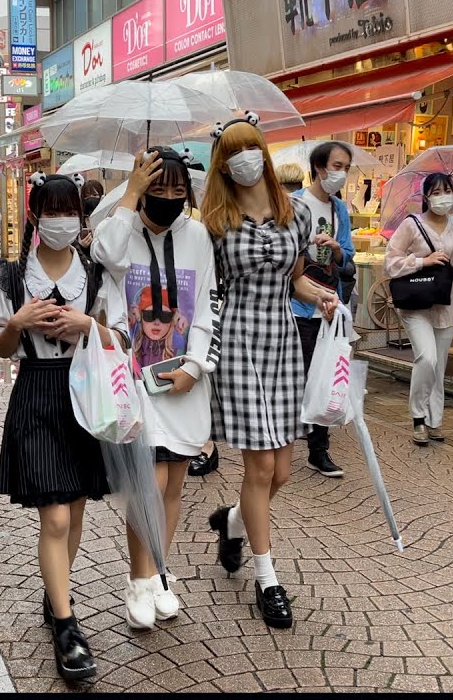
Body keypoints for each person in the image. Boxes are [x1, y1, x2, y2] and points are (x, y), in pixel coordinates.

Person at [201, 116, 338, 630]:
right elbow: (205, 287)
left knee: (280, 471)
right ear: (223, 163)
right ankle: (267, 579)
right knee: (259, 470)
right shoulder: (214, 219)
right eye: (232, 153)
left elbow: (295, 280)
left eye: (249, 149)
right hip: (237, 343)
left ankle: (231, 522)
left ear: (261, 151)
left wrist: (321, 296)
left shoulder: (296, 214)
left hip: (282, 344)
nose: (243, 159)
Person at [0, 172, 124, 682]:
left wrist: (87, 325)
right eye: (54, 210)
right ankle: (66, 626)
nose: (63, 220)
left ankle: (56, 593)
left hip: (84, 392)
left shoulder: (93, 271)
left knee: (77, 507)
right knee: (57, 518)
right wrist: (19, 322)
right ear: (35, 216)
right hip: (37, 392)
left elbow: (122, 338)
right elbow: (1, 348)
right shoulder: (10, 275)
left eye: (72, 211)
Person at [90, 147, 218, 630]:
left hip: (184, 383)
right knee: (148, 483)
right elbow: (105, 254)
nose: (167, 199)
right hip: (134, 384)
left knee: (174, 485)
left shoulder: (199, 237)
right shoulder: (121, 231)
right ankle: (139, 580)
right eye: (157, 190)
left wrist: (198, 366)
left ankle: (161, 573)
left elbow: (208, 303)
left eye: (176, 191)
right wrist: (131, 194)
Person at [383, 172, 453, 446]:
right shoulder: (411, 225)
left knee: (440, 366)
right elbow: (390, 263)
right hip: (415, 305)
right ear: (425, 197)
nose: (442, 197)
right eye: (436, 192)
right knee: (427, 359)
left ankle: (435, 421)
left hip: (445, 305)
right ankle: (418, 417)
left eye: (447, 190)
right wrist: (423, 261)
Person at [291, 141, 358, 477]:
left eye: (346, 167)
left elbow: (349, 255)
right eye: (336, 165)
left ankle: (319, 450)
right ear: (318, 167)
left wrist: (334, 248)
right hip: (298, 305)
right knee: (300, 375)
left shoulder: (339, 210)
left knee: (326, 376)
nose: (341, 173)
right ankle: (287, 436)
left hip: (330, 305)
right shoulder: (295, 204)